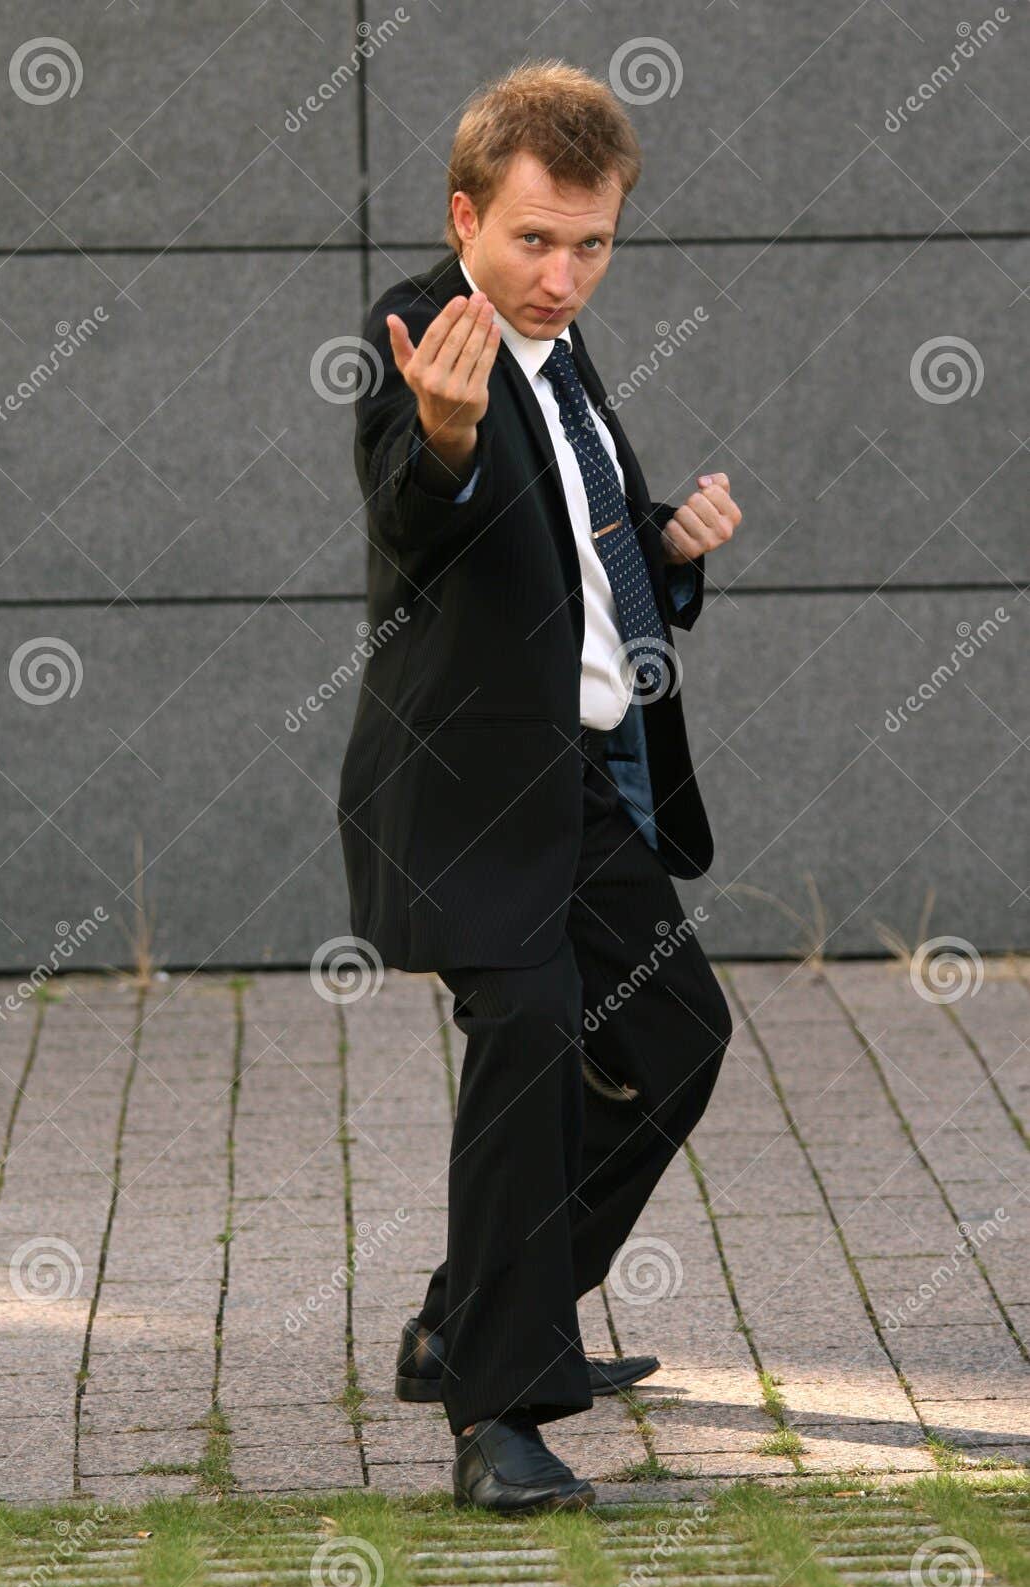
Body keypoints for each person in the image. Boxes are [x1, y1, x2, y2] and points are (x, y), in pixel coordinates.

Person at [337, 58, 738, 1513]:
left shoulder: (565, 349)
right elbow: (408, 507)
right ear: (465, 216)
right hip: (464, 787)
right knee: (531, 1046)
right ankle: (497, 1421)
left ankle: (486, 1312)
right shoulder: (415, 330)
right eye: (532, 239)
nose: (563, 273)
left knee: (681, 1035)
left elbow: (580, 542)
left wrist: (672, 552)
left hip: (575, 780)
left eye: (592, 243)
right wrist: (440, 439)